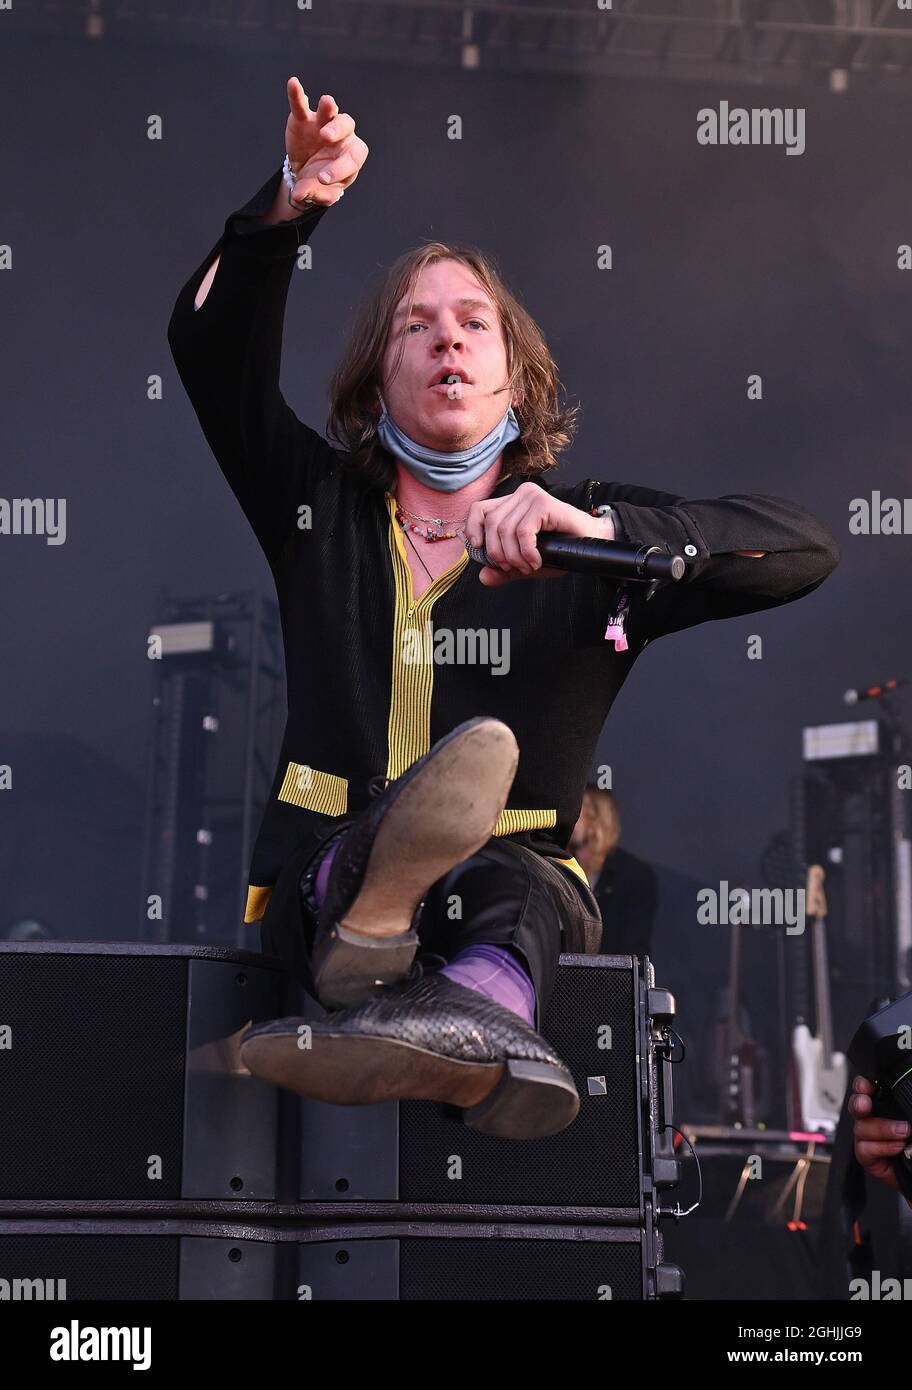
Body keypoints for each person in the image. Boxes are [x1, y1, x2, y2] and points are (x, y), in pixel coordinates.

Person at [167, 77, 840, 1141]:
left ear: (516, 384)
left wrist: (614, 542)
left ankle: (470, 1015)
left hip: (513, 890)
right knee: (356, 862)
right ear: (372, 387)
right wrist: (289, 205)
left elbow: (803, 548)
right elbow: (207, 351)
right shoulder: (317, 508)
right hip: (312, 886)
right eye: (414, 328)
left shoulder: (589, 531)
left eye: (473, 323)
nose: (446, 340)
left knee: (519, 889)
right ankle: (383, 918)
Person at [569, 787, 657, 957]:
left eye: (579, 809)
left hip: (611, 978)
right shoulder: (558, 867)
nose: (570, 816)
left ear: (599, 818)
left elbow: (633, 948)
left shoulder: (633, 876)